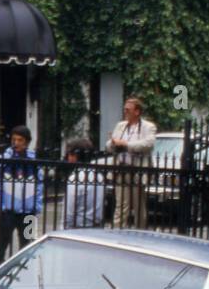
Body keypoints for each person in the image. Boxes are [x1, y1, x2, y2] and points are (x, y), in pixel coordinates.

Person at [0, 125, 44, 264]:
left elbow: (40, 185)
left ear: (26, 141)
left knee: (28, 246)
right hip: (8, 210)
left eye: (20, 140)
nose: (16, 143)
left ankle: (26, 275)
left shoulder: (34, 161)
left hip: (29, 211)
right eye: (14, 140)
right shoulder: (4, 160)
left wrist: (37, 206)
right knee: (2, 244)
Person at [106, 97, 157, 229]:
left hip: (137, 171)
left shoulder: (148, 126)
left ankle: (140, 233)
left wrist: (126, 144)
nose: (125, 112)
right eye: (124, 109)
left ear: (137, 111)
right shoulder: (120, 125)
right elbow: (109, 145)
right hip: (121, 170)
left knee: (139, 206)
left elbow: (148, 144)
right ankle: (117, 234)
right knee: (121, 206)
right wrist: (113, 143)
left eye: (128, 110)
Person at [63, 138, 104, 229]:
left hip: (78, 227)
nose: (68, 158)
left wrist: (65, 227)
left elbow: (69, 211)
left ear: (75, 156)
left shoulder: (75, 178)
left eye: (70, 155)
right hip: (96, 226)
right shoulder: (99, 176)